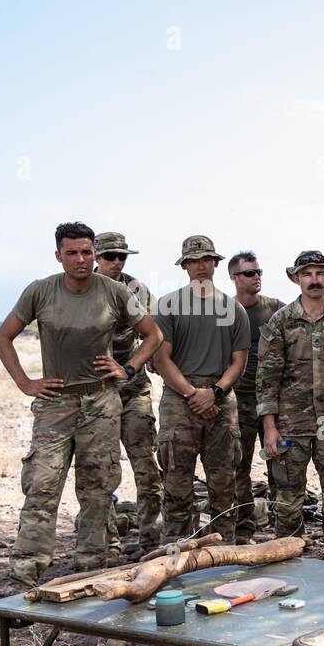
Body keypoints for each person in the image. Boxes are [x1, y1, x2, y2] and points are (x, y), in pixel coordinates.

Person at [0, 222, 162, 585]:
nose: (81, 259)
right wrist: (26, 382)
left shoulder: (114, 291)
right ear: (59, 256)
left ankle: (92, 569)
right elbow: (3, 338)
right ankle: (26, 573)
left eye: (86, 252)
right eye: (72, 252)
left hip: (101, 402)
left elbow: (153, 334)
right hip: (56, 404)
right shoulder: (40, 291)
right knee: (41, 486)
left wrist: (127, 368)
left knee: (97, 489)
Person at [256, 251, 324, 560]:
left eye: (319, 274)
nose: (314, 280)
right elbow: (268, 379)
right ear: (296, 278)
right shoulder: (281, 322)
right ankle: (288, 549)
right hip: (291, 423)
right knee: (288, 494)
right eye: (307, 274)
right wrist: (270, 429)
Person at [153, 235, 251, 545]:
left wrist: (215, 392)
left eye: (207, 259)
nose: (201, 266)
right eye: (194, 261)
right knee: (177, 481)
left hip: (220, 398)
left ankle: (222, 548)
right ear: (184, 265)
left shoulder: (233, 309)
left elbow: (239, 362)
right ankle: (177, 549)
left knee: (223, 482)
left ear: (216, 264)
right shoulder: (168, 306)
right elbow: (161, 358)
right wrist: (192, 394)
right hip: (179, 398)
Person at [93, 232, 162, 553]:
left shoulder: (137, 290)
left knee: (146, 467)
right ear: (96, 257)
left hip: (133, 389)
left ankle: (151, 541)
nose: (116, 262)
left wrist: (136, 367)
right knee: (101, 471)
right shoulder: (81, 289)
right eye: (109, 256)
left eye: (122, 256)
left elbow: (152, 335)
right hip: (95, 393)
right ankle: (109, 545)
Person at [228, 251, 286, 542]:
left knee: (281, 465)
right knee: (239, 466)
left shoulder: (276, 310)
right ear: (234, 277)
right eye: (250, 273)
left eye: (259, 271)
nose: (257, 277)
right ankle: (243, 529)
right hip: (236, 400)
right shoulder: (222, 311)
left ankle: (283, 527)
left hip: (273, 402)